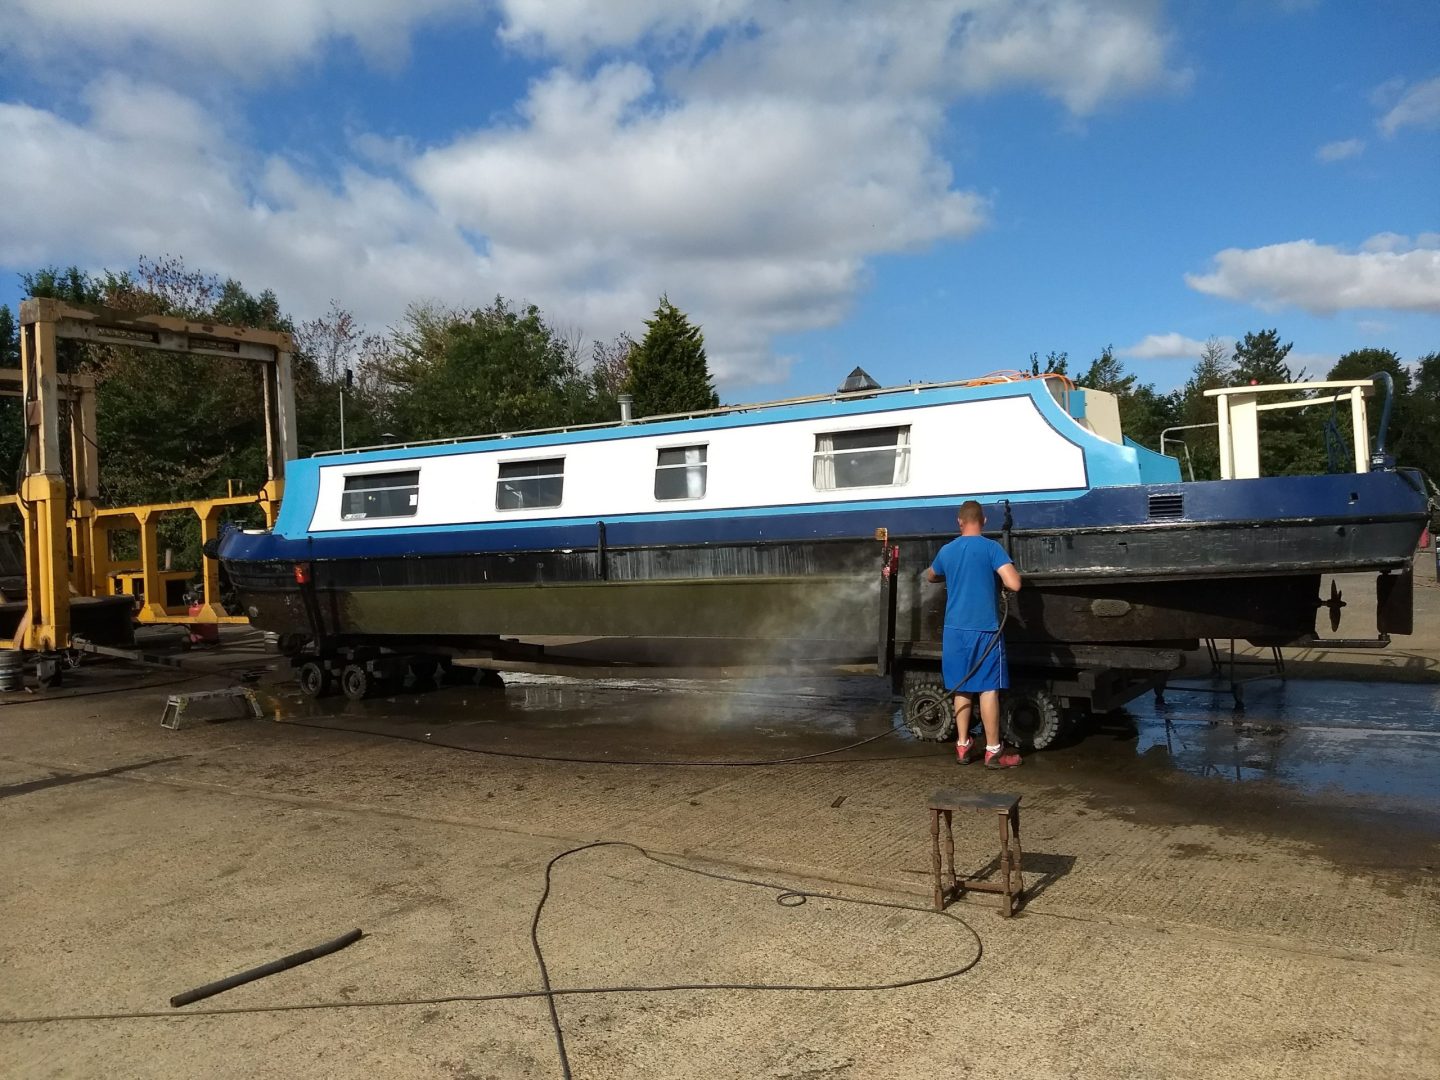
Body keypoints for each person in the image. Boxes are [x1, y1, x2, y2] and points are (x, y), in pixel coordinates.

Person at [924, 500, 1023, 768]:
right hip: (985, 630)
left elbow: (931, 576)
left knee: (961, 687)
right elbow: (1014, 583)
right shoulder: (991, 548)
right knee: (988, 690)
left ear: (959, 521)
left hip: (955, 631)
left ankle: (963, 746)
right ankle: (993, 751)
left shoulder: (947, 551)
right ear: (984, 521)